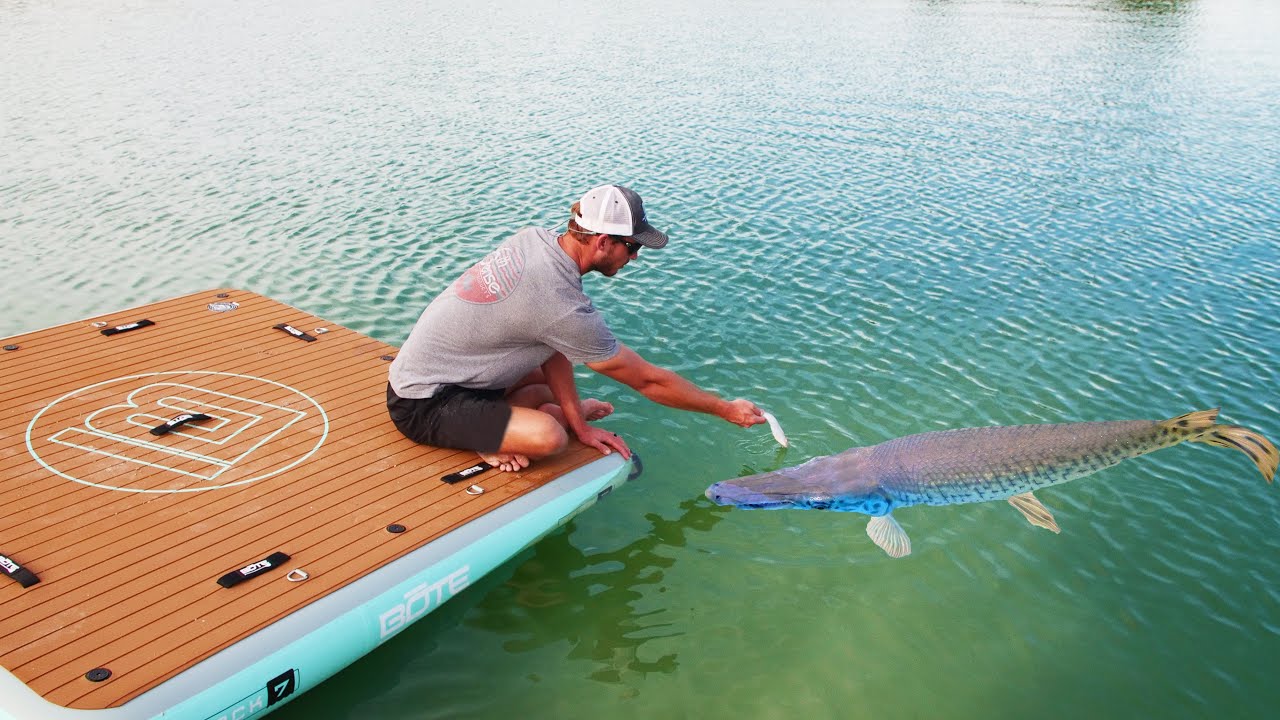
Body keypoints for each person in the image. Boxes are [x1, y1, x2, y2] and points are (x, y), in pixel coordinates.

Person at [387, 184, 766, 472]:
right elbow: (648, 381)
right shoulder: (560, 303)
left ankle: (551, 414)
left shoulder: (534, 239)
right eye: (632, 247)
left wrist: (581, 428)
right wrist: (724, 408)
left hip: (440, 371)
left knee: (538, 384)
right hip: (423, 403)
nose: (635, 257)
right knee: (548, 437)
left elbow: (551, 345)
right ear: (603, 242)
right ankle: (488, 441)